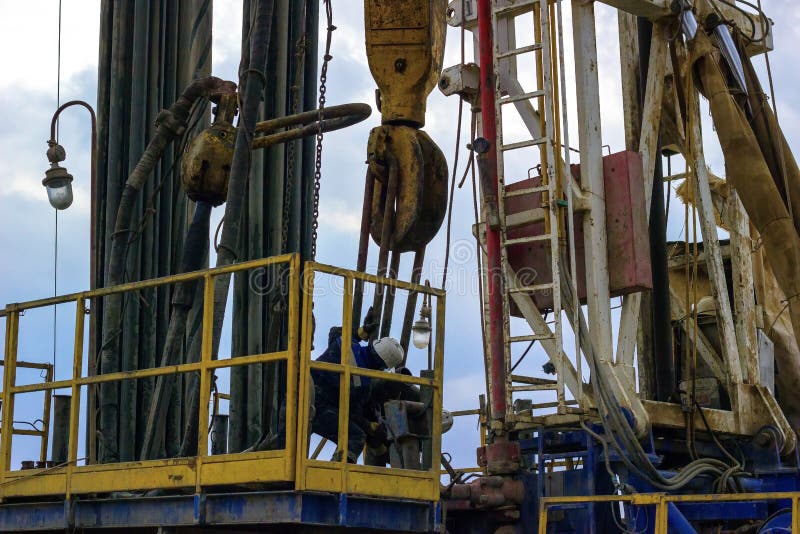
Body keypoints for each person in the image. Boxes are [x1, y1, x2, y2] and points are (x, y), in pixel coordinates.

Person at [311, 326, 404, 463]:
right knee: (355, 437)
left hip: (303, 388)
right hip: (316, 407)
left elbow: (335, 332)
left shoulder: (346, 343)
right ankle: (335, 474)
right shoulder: (361, 384)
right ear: (381, 366)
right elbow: (352, 414)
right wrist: (369, 426)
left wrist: (362, 331)